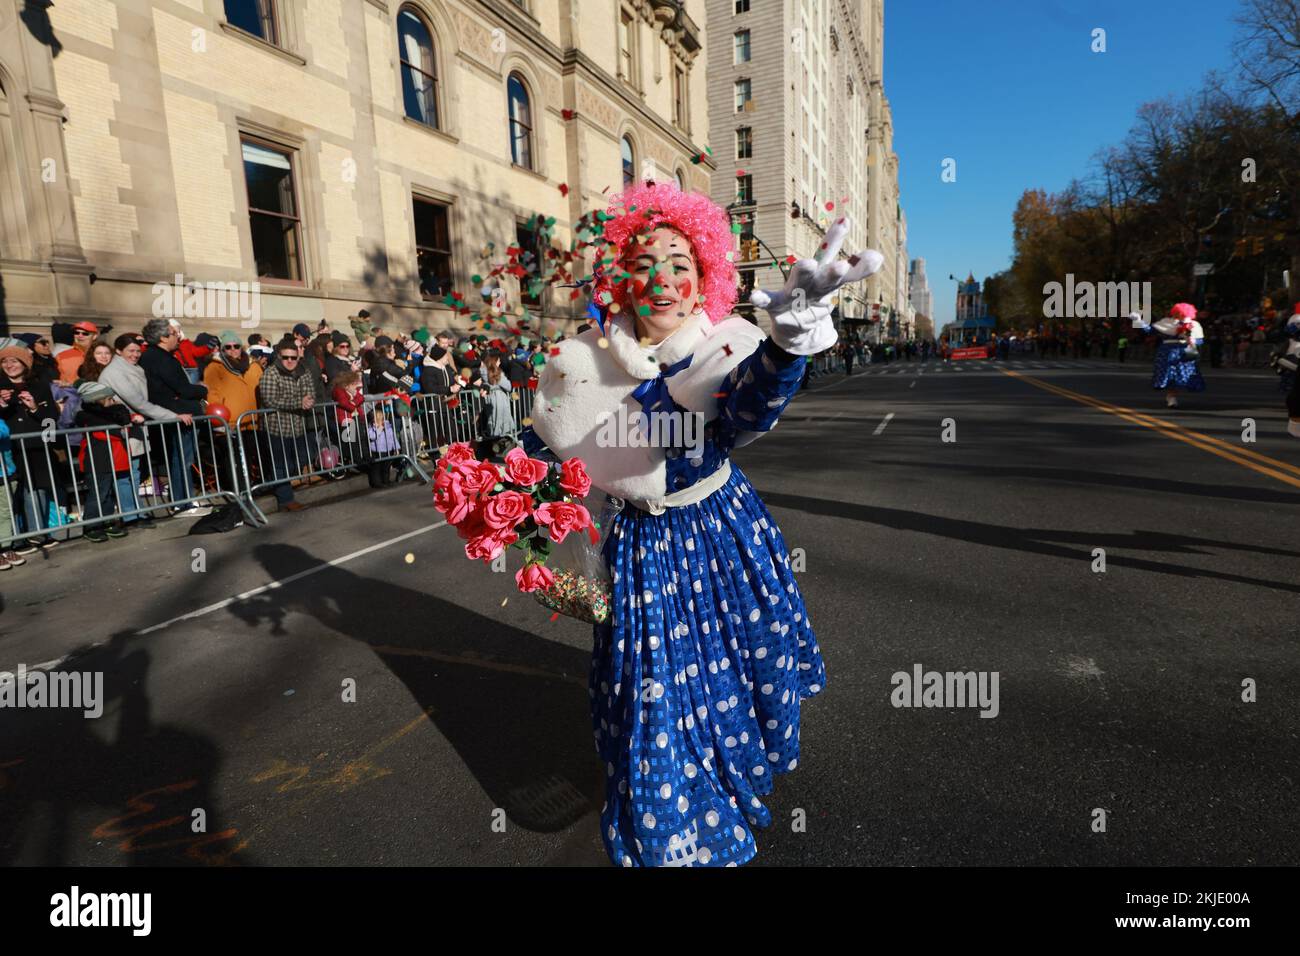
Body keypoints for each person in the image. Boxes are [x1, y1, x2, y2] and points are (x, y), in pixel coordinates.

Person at [528, 181, 882, 867]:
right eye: (643, 264)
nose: (662, 279)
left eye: (679, 263)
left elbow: (750, 403)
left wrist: (789, 342)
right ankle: (675, 827)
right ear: (621, 281)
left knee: (735, 671)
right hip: (639, 547)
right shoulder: (579, 362)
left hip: (721, 534)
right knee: (654, 694)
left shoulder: (726, 347)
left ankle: (731, 772)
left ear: (704, 277)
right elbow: (540, 452)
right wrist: (495, 490)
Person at [137, 318, 212, 514]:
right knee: (182, 459)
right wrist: (202, 390)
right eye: (173, 333)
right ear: (163, 338)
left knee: (182, 459)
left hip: (175, 412)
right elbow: (181, 389)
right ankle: (182, 502)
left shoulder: (157, 356)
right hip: (178, 414)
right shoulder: (160, 358)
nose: (178, 336)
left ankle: (184, 500)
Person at [0, 345, 62, 551]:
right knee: (13, 494)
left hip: (37, 447)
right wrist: (2, 404)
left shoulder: (39, 386)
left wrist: (35, 408)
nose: (9, 365)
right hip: (9, 449)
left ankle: (38, 533)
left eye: (14, 361)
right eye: (4, 361)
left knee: (38, 489)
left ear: (25, 364)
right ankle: (16, 539)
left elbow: (51, 418)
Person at [72, 380, 142, 541]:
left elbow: (120, 423)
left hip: (111, 459)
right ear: (99, 400)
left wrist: (131, 418)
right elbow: (110, 433)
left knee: (108, 493)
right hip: (96, 460)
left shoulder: (112, 413)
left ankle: (107, 521)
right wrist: (127, 426)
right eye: (109, 398)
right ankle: (91, 525)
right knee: (98, 494)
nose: (113, 401)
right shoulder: (89, 417)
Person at [256, 339, 316, 513]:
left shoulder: (303, 371)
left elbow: (310, 392)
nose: (290, 361)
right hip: (276, 428)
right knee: (281, 465)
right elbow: (270, 400)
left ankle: (268, 484)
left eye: (293, 357)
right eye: (286, 357)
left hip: (298, 426)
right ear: (279, 357)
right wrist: (299, 402)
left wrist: (308, 401)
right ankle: (286, 499)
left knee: (301, 459)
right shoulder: (270, 373)